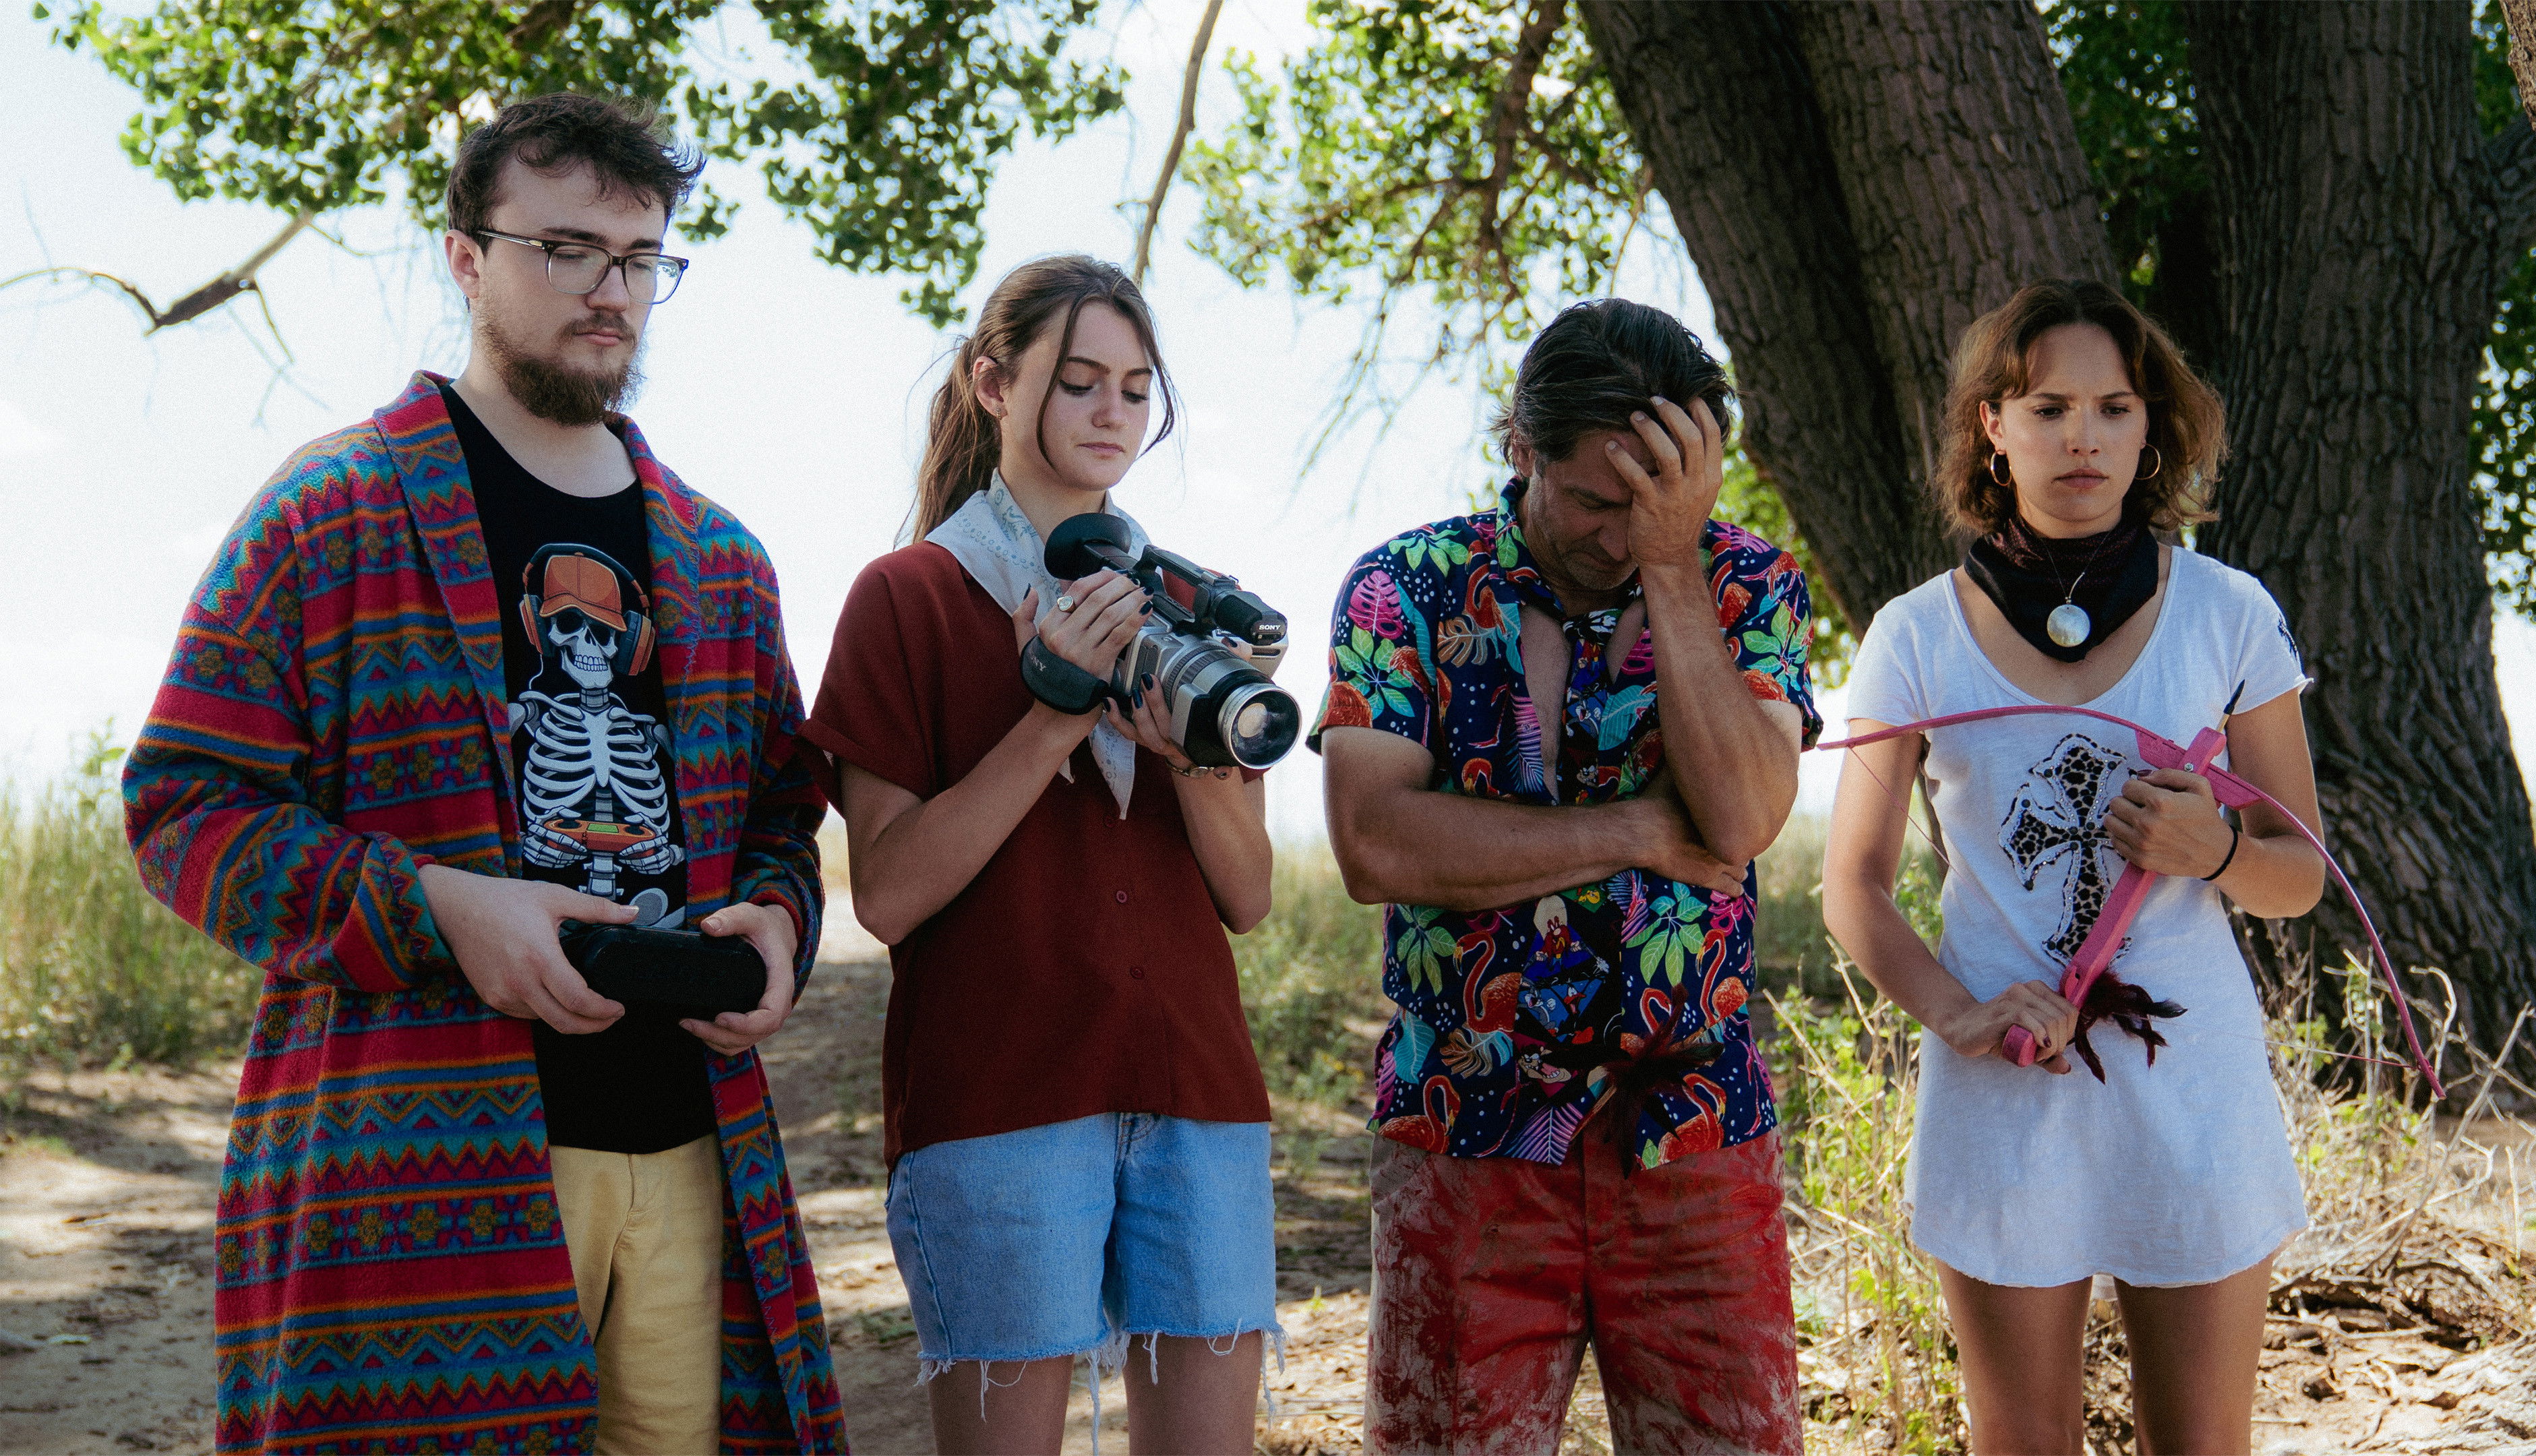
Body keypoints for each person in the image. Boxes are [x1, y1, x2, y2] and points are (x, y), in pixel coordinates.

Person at [121, 93, 844, 1454]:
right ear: (465, 254)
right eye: (566, 250)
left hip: (691, 1150)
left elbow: (779, 820)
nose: (609, 292)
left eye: (639, 261)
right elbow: (182, 809)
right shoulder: (330, 509)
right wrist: (439, 907)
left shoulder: (720, 559)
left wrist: (777, 921)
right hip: (415, 1158)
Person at [1822, 278, 2321, 1456]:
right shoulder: (1915, 634)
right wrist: (1958, 1011)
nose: (2081, 436)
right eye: (2047, 406)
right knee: (2019, 1442)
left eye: (2111, 405)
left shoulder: (2228, 614)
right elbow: (1853, 883)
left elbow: (2301, 873)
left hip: (2192, 1090)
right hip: (2004, 1085)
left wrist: (2220, 849)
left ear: (2151, 427)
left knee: (2201, 1444)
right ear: (1993, 427)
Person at [1316, 298, 1817, 1455]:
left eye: (1659, 504)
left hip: (1695, 1134)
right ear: (1519, 448)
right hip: (1467, 1128)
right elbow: (1377, 846)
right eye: (1597, 499)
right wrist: (1642, 830)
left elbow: (1741, 817)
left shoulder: (1746, 584)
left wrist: (1673, 565)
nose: (1618, 535)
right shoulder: (1407, 586)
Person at [798, 255, 1278, 1455]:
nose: (1112, 412)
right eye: (1079, 383)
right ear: (992, 384)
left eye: (1134, 388)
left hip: (1195, 1091)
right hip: (1001, 1096)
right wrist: (1054, 712)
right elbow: (892, 897)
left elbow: (1251, 894)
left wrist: (1187, 753)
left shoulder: (1189, 616)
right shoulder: (907, 598)